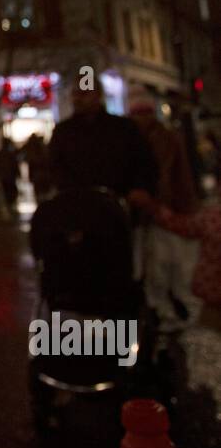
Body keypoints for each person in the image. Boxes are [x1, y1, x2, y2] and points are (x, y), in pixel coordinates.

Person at [128, 89, 199, 334]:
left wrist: (161, 207)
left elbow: (170, 177)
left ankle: (166, 310)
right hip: (155, 211)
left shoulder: (161, 139)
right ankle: (162, 308)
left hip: (163, 211)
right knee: (157, 263)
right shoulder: (146, 138)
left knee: (164, 263)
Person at [129, 188, 221, 328]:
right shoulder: (213, 218)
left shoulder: (213, 218)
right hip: (211, 305)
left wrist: (151, 206)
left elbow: (181, 225)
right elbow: (182, 225)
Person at [48, 84, 158, 199]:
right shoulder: (63, 131)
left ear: (97, 95)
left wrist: (139, 188)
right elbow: (55, 167)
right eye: (75, 94)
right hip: (78, 202)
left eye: (84, 94)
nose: (78, 99)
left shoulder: (122, 127)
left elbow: (144, 161)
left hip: (121, 200)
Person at [0, 138, 20, 215]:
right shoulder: (10, 154)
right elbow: (15, 165)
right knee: (10, 191)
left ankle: (9, 206)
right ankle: (10, 206)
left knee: (7, 191)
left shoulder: (0, 154)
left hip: (5, 177)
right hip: (9, 177)